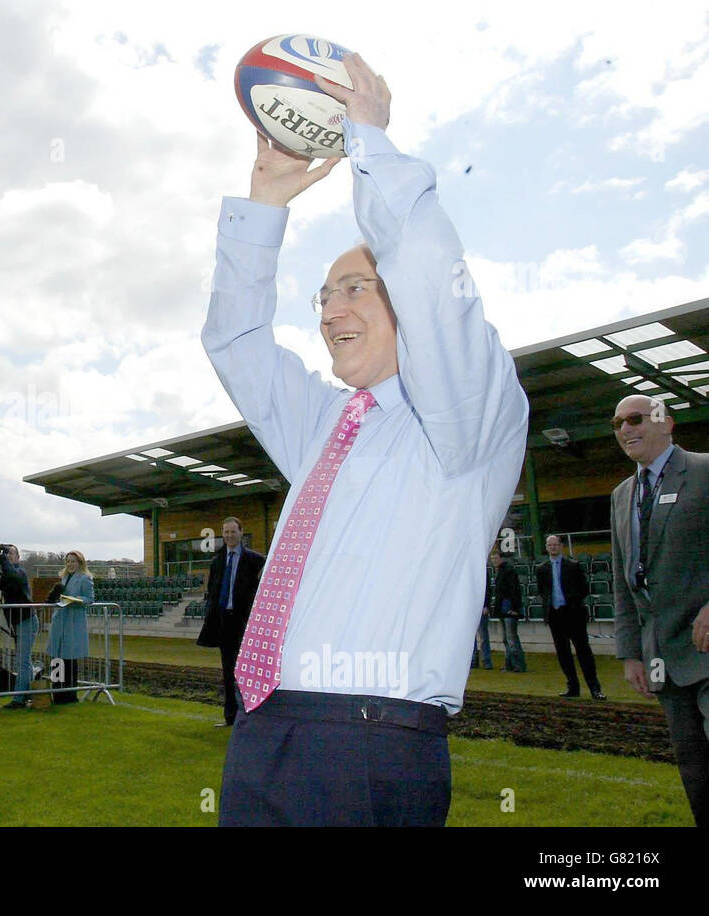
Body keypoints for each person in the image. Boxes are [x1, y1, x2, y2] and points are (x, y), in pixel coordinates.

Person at [201, 51, 528, 826]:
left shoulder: (470, 422)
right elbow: (236, 340)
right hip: (263, 728)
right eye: (323, 295)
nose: (329, 309)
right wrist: (264, 202)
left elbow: (428, 278)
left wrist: (371, 146)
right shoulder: (326, 424)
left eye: (355, 287)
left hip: (367, 746)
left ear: (404, 303)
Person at [610, 393, 709, 826]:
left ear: (666, 423)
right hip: (661, 656)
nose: (625, 429)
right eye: (617, 424)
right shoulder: (621, 495)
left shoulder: (705, 471)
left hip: (705, 646)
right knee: (694, 766)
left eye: (634, 419)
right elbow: (622, 576)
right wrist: (631, 651)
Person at [196, 517, 265, 726]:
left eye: (233, 532)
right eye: (225, 532)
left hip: (245, 623)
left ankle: (252, 714)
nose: (229, 536)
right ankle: (231, 717)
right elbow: (213, 592)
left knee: (248, 670)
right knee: (228, 671)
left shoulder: (256, 560)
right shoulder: (217, 561)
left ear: (241, 532)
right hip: (224, 622)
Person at [536, 534, 603, 699]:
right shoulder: (542, 568)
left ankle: (594, 688)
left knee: (583, 650)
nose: (552, 547)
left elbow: (583, 588)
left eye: (555, 545)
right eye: (550, 545)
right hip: (555, 614)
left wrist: (573, 602)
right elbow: (542, 591)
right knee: (563, 652)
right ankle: (572, 686)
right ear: (546, 547)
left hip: (573, 613)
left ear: (561, 546)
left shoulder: (573, 566)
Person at [45, 550, 94, 705]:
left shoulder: (85, 579)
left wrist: (75, 599)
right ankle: (56, 693)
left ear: (80, 563)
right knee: (56, 658)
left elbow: (89, 599)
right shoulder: (63, 578)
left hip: (73, 622)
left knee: (69, 659)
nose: (70, 564)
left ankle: (69, 695)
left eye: (73, 561)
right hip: (59, 620)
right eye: (68, 561)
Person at [0, 544, 35, 709]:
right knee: (24, 660)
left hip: (26, 620)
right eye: (6, 553)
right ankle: (27, 694)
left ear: (18, 557)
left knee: (23, 660)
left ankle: (19, 698)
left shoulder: (20, 573)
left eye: (11, 553)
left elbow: (13, 576)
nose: (8, 556)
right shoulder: (5, 575)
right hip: (17, 621)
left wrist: (2, 560)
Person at [491, 550, 526, 672]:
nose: (494, 561)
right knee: (507, 639)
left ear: (501, 558)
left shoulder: (508, 571)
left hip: (508, 609)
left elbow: (513, 591)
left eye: (496, 558)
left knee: (511, 638)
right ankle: (511, 663)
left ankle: (517, 664)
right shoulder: (502, 571)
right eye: (493, 559)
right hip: (503, 609)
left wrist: (513, 608)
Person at [472, 565, 494, 670]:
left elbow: (487, 590)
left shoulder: (483, 571)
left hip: (481, 607)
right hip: (471, 608)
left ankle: (486, 660)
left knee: (483, 636)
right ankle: (473, 660)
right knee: (472, 637)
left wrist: (486, 605)